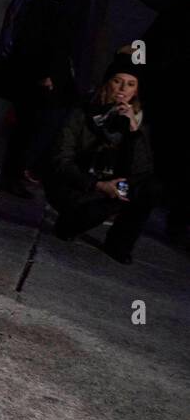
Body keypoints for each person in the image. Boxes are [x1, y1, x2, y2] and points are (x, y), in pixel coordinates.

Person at [46, 54, 156, 265]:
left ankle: (118, 245)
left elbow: (142, 171)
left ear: (136, 91)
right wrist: (98, 185)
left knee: (151, 187)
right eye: (117, 81)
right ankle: (69, 222)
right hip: (80, 184)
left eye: (130, 84)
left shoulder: (137, 120)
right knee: (78, 220)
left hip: (113, 183)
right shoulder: (82, 111)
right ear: (107, 83)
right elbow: (60, 160)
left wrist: (133, 131)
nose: (122, 89)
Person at [0, 0, 79, 198]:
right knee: (30, 127)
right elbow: (32, 40)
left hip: (44, 74)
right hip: (35, 76)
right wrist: (44, 74)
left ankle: (18, 172)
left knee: (33, 126)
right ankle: (14, 174)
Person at [134, 0, 190, 249]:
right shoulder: (176, 6)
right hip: (159, 91)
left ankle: (177, 223)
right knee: (144, 150)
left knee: (180, 163)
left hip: (181, 101)